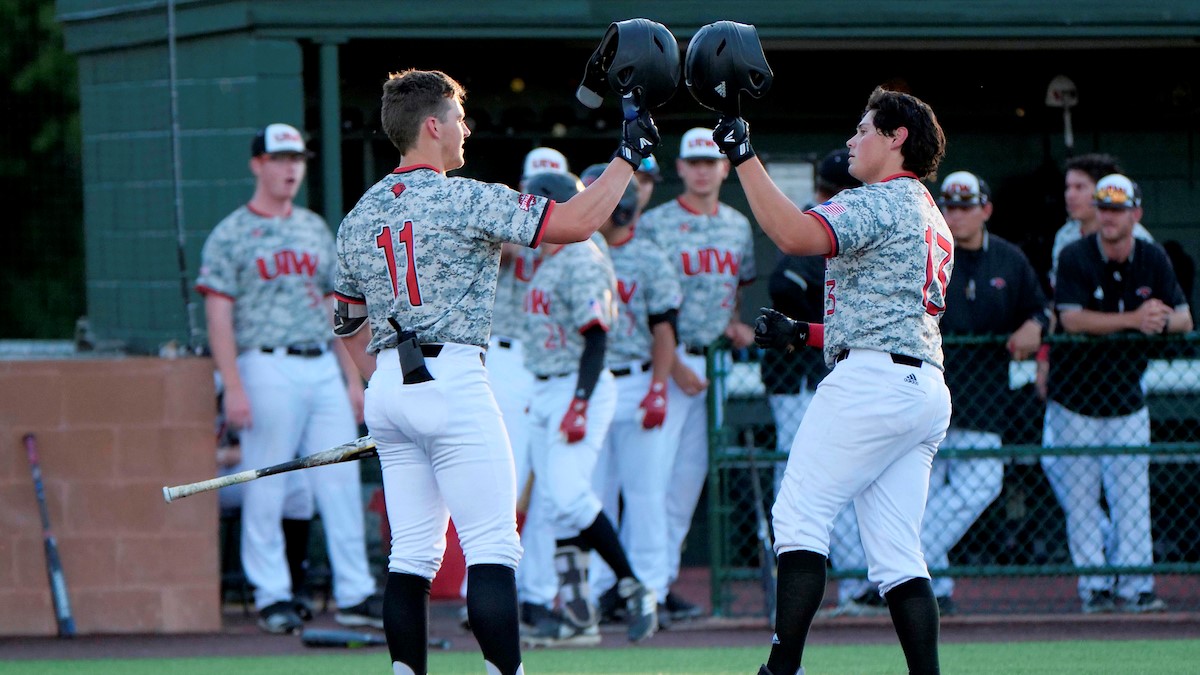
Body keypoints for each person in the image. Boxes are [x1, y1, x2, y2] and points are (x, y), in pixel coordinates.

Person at [332, 68, 660, 675]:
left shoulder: (359, 214)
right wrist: (626, 157)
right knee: (492, 547)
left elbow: (347, 322)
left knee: (410, 556)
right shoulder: (467, 197)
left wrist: (380, 382)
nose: (466, 128)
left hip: (389, 389)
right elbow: (578, 223)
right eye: (458, 117)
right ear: (432, 126)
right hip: (453, 378)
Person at [713, 85, 953, 675]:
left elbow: (794, 236)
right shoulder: (929, 211)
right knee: (898, 556)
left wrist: (744, 156)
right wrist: (806, 334)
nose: (853, 139)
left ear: (897, 139)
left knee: (798, 518)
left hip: (872, 385)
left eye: (866, 129)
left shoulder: (883, 197)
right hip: (921, 387)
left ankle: (780, 668)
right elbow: (888, 320)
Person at [195, 123, 381, 635]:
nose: (290, 167)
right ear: (258, 164)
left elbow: (335, 308)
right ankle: (272, 594)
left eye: (297, 157)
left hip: (320, 361)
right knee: (268, 480)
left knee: (339, 477)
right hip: (264, 360)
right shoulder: (231, 232)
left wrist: (351, 380)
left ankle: (355, 592)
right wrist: (231, 383)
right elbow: (218, 314)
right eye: (279, 158)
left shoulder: (313, 227)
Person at [516, 170, 660, 647]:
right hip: (547, 388)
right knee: (558, 506)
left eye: (535, 204)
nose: (529, 212)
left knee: (569, 495)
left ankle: (633, 585)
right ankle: (579, 618)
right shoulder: (551, 255)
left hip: (579, 388)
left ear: (554, 206)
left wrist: (578, 403)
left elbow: (596, 338)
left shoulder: (581, 256)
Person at [1042, 173, 1191, 615]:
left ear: (1135, 213)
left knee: (1131, 497)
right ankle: (1096, 589)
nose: (1109, 217)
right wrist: (1133, 319)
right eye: (1104, 208)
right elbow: (1071, 320)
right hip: (1075, 401)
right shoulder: (1075, 254)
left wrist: (1156, 319)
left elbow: (1184, 319)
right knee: (1083, 499)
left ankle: (1138, 587)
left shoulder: (1152, 256)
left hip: (1127, 397)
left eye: (1118, 209)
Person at [638, 127, 758, 620]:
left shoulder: (738, 225)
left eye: (712, 161)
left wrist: (732, 323)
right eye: (695, 161)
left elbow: (738, 287)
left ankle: (659, 586)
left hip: (714, 366)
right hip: (665, 366)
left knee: (686, 484)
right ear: (682, 168)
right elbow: (635, 305)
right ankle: (640, 589)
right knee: (653, 482)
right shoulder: (655, 224)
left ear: (725, 168)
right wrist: (675, 366)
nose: (704, 169)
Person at [923, 170, 1050, 613]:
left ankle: (902, 564)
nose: (956, 214)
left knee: (981, 484)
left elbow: (1041, 309)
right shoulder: (927, 250)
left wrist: (1036, 325)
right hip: (927, 390)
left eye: (966, 206)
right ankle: (931, 590)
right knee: (923, 491)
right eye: (950, 206)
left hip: (984, 398)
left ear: (985, 209)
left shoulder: (1010, 260)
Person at [761, 149, 877, 617]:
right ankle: (843, 585)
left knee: (819, 489)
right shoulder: (823, 220)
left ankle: (852, 586)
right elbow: (783, 285)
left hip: (828, 374)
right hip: (799, 380)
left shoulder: (855, 224)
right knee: (803, 488)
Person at [575, 164, 684, 627]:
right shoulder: (577, 254)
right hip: (593, 383)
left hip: (638, 378)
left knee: (646, 494)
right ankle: (604, 591)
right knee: (595, 493)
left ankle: (651, 590)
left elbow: (665, 332)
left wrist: (659, 388)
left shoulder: (649, 257)